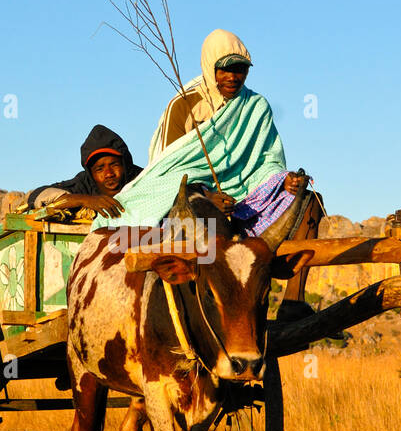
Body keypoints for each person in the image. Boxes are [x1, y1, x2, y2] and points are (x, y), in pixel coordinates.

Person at [93, 29, 322, 307]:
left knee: (308, 201)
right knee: (203, 214)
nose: (233, 77)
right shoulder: (185, 105)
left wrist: (283, 181)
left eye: (240, 70)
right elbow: (167, 171)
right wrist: (207, 195)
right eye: (225, 69)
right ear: (210, 66)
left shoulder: (256, 107)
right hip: (194, 198)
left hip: (247, 196)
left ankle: (293, 303)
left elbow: (267, 160)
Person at [26, 124, 143, 219]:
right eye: (99, 169)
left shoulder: (143, 178)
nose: (108, 174)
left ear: (125, 164)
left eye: (114, 164)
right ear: (90, 173)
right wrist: (84, 200)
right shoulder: (85, 184)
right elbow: (38, 196)